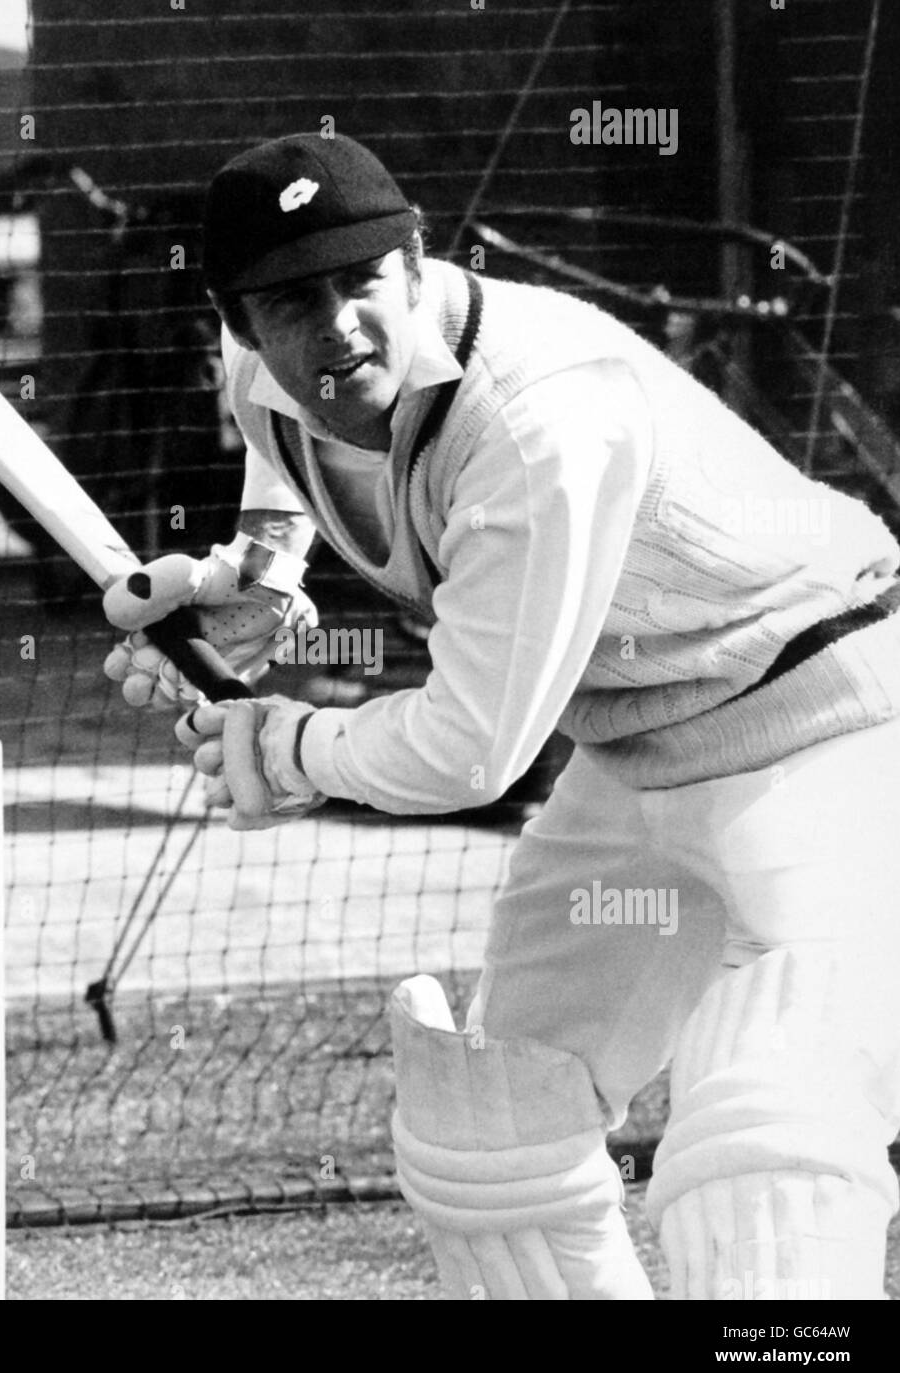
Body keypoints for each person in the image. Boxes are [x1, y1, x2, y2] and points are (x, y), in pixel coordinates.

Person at [102, 132, 900, 1300]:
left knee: (765, 1152)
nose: (338, 330)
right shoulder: (269, 376)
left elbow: (476, 746)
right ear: (236, 321)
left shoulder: (538, 420)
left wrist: (282, 746)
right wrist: (263, 579)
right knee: (490, 1139)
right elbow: (289, 458)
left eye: (360, 282)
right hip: (636, 755)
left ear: (416, 263)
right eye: (289, 303)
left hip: (828, 737)